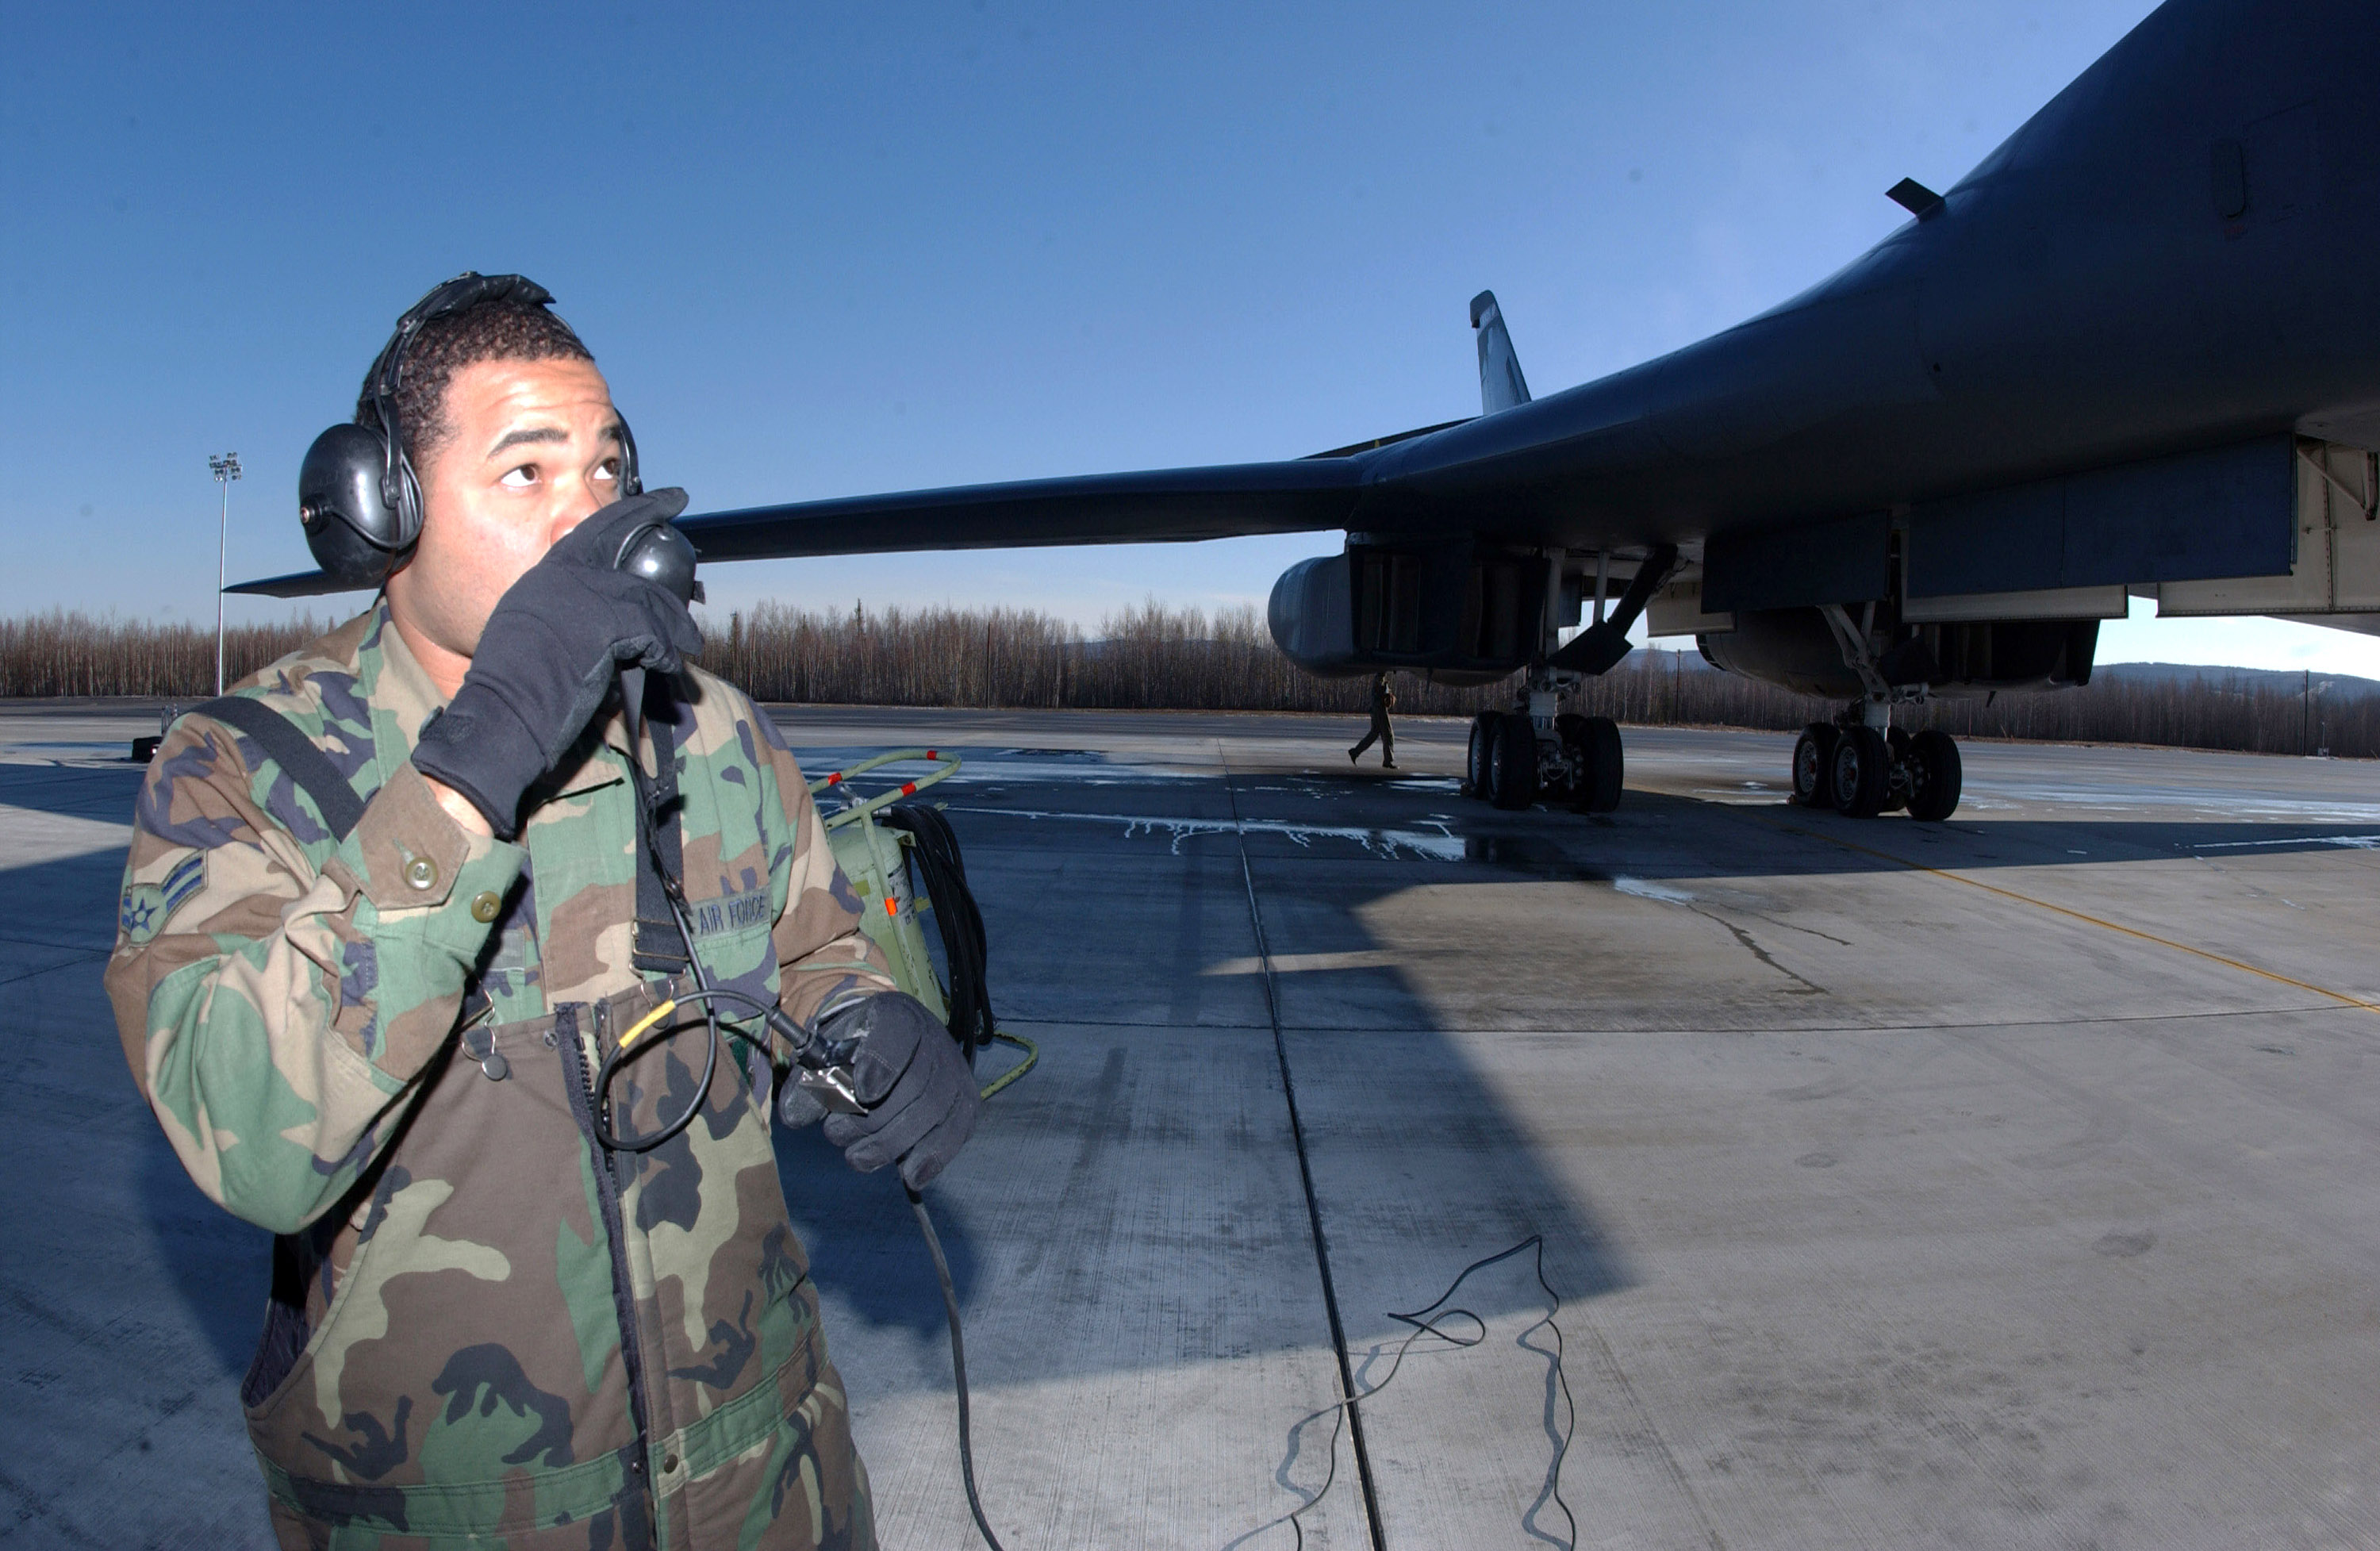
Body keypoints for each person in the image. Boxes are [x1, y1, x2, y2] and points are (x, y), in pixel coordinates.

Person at [106, 275, 978, 1549]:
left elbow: (812, 947)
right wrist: (473, 768)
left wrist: (873, 1014)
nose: (596, 518)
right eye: (528, 472)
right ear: (380, 509)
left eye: (607, 465)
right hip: (459, 1512)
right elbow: (249, 1134)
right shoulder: (246, 768)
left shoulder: (717, 731)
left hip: (769, 1481)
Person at [1347, 670, 1397, 769]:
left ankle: (1355, 752)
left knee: (1374, 734)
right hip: (1380, 709)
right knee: (1388, 734)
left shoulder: (1379, 679)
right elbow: (1381, 694)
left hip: (1376, 709)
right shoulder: (1380, 679)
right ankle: (1388, 760)